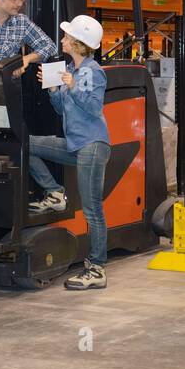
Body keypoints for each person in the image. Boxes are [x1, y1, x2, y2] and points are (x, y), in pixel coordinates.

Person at [26, 14, 111, 291]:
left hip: (92, 146)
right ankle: (54, 193)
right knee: (27, 145)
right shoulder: (72, 71)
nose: (62, 39)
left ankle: (97, 269)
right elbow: (63, 110)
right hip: (76, 144)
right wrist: (54, 89)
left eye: (66, 36)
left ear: (77, 42)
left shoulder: (92, 71)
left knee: (92, 209)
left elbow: (93, 107)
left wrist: (72, 87)